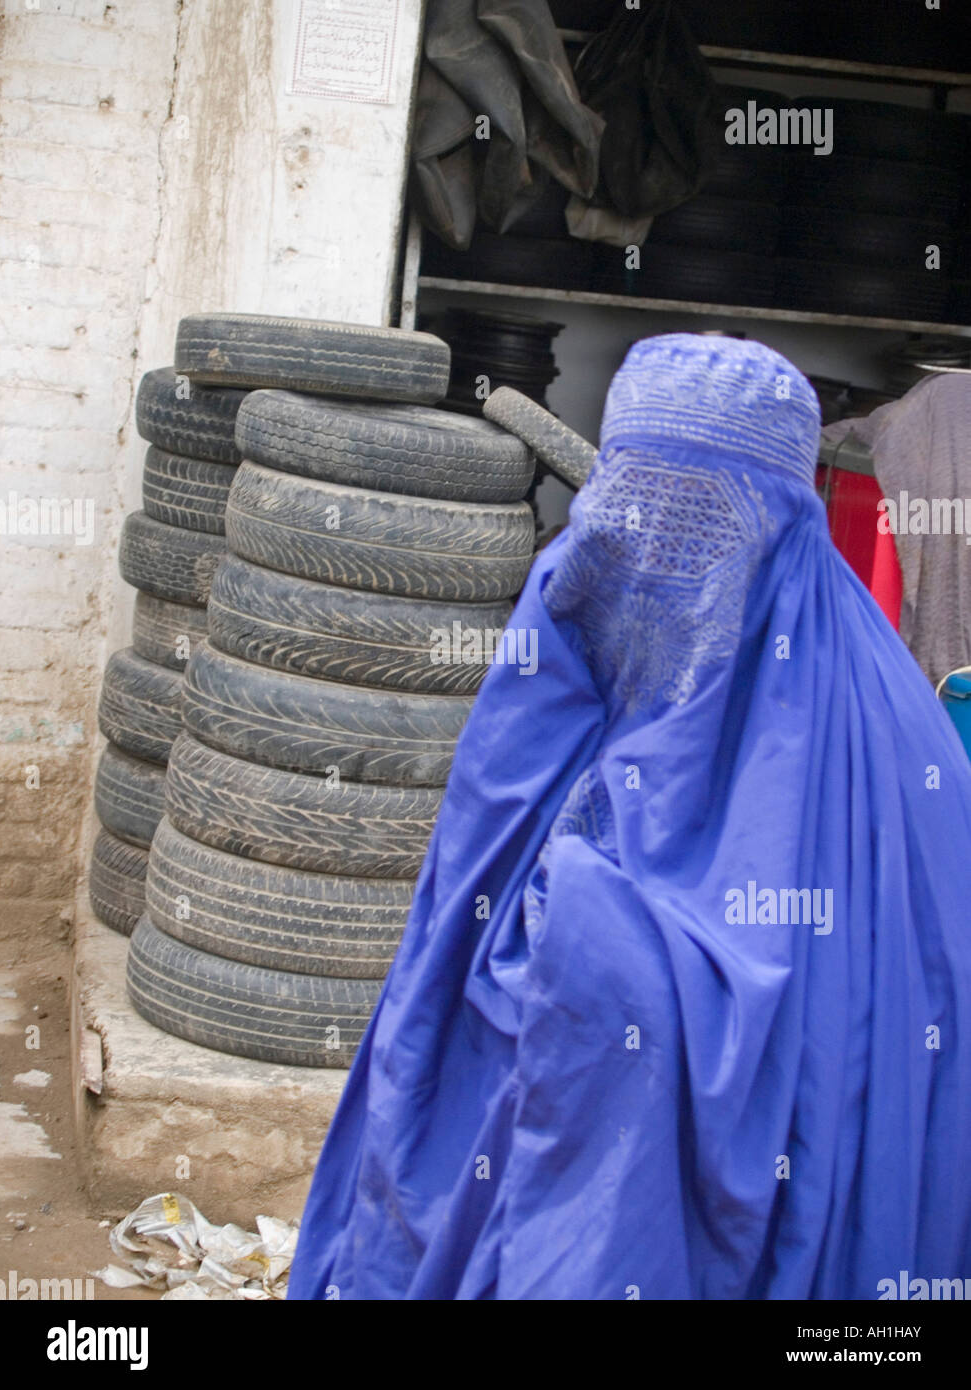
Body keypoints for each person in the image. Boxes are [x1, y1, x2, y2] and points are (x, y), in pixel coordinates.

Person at [289, 333, 971, 1300]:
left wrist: (597, 937)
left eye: (703, 532)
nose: (653, 564)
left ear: (789, 533)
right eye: (635, 519)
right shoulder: (557, 652)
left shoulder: (902, 768)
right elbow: (450, 962)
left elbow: (864, 1048)